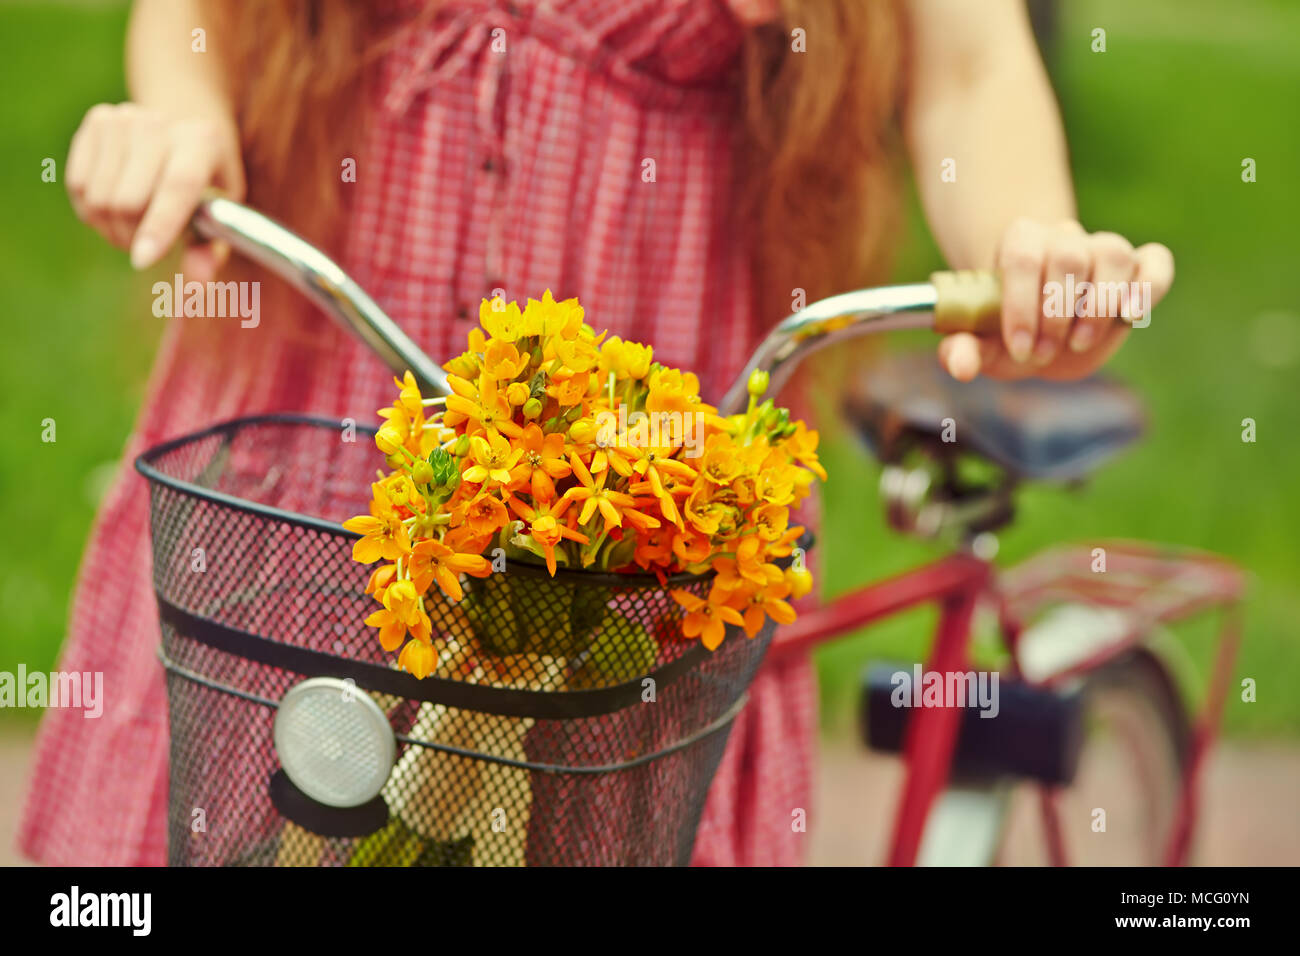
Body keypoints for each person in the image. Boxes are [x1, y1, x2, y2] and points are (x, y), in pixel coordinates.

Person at [22, 0, 1173, 866]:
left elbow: (966, 66)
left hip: (636, 443)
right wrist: (181, 119)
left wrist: (1033, 248)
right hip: (322, 387)